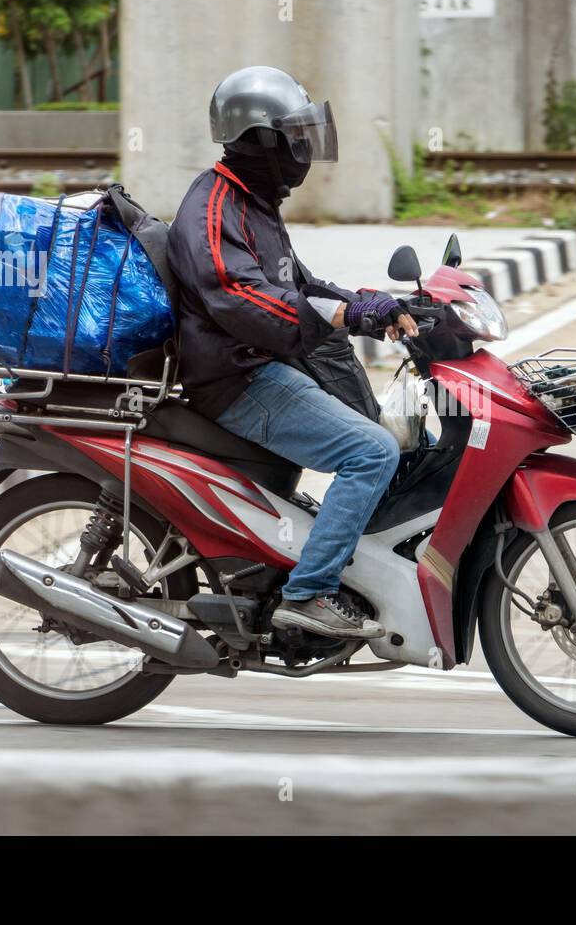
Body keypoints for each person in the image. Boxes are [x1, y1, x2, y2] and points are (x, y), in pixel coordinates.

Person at [166, 66, 419, 641]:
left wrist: (370, 304)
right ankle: (308, 595)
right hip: (238, 379)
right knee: (373, 452)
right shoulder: (212, 206)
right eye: (293, 135)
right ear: (259, 138)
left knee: (390, 434)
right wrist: (340, 315)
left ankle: (319, 562)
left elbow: (299, 284)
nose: (303, 148)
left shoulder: (253, 202)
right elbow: (241, 299)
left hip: (264, 365)